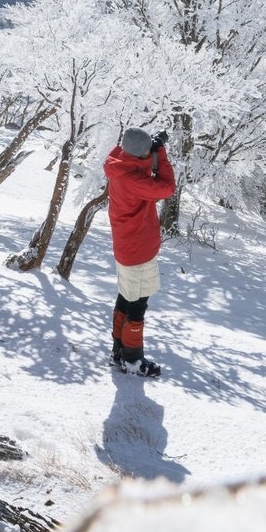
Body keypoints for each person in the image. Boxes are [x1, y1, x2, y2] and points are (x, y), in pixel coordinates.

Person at [104, 126, 175, 378]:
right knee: (137, 303)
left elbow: (134, 159)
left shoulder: (118, 163)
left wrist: (148, 148)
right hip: (138, 249)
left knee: (126, 296)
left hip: (127, 246)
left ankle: (118, 352)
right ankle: (132, 360)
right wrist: (161, 155)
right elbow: (167, 187)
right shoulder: (133, 180)